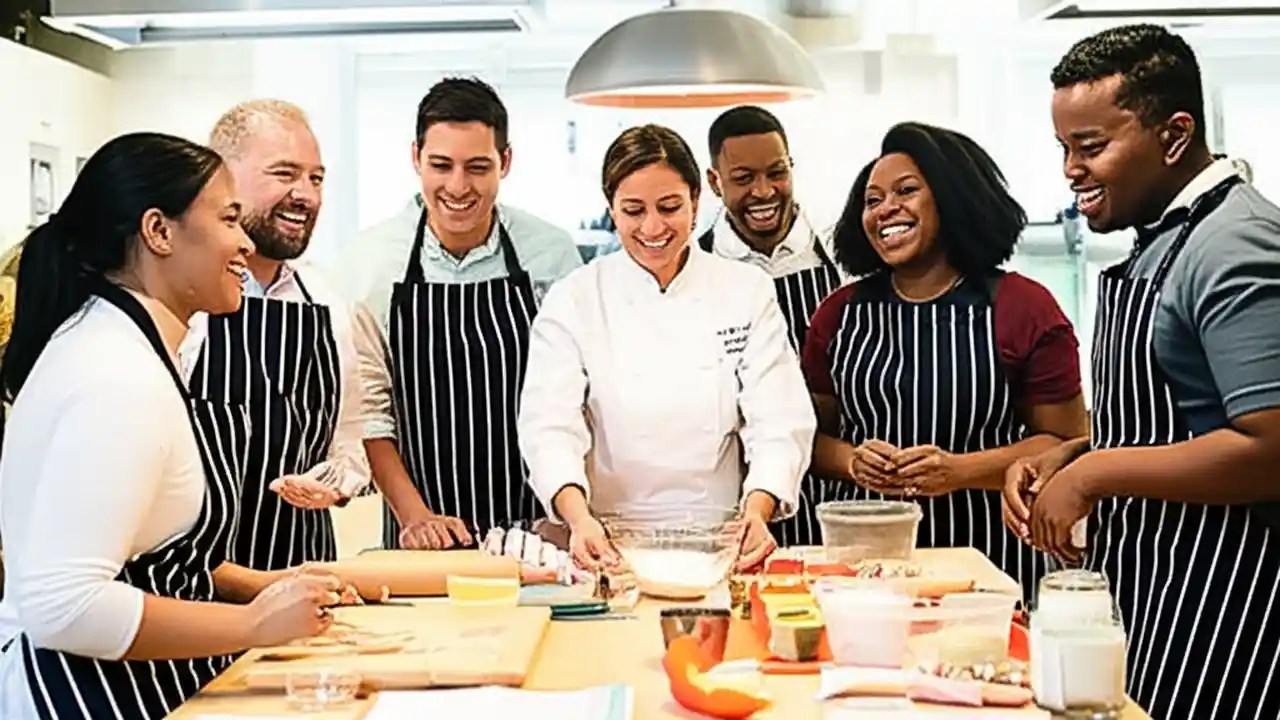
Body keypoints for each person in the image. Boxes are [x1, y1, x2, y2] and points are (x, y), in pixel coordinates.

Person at [0, 133, 344, 720]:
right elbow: (63, 606)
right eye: (228, 219)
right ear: (159, 232)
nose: (243, 242)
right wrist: (253, 624)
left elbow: (145, 552)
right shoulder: (115, 378)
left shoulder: (124, 345)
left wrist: (257, 582)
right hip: (79, 696)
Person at [1007, 24, 1280, 718]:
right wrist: (1071, 455)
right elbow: (1177, 419)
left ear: (1175, 133)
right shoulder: (1168, 240)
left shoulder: (1234, 245)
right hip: (1159, 594)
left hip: (1231, 611)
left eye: (1091, 147)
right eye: (1066, 148)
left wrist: (1094, 476)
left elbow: (1270, 448)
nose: (1071, 169)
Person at [801, 122, 1087, 600]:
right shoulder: (838, 313)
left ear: (953, 199)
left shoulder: (1022, 307)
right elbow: (807, 438)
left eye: (906, 191)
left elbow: (1065, 440)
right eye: (872, 200)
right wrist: (852, 461)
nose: (886, 209)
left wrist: (960, 470)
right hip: (864, 565)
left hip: (988, 561)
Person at [517, 124, 816, 571]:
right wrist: (578, 519)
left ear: (696, 202)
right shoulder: (576, 298)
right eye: (633, 210)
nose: (653, 227)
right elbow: (549, 427)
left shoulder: (744, 290)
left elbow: (779, 418)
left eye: (670, 206)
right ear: (611, 211)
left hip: (720, 542)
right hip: (607, 543)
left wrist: (758, 509)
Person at [340, 77, 582, 550]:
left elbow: (576, 398)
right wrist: (416, 518)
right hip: (420, 535)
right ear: (415, 158)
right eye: (440, 165)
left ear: (505, 163)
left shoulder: (551, 255)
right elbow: (371, 412)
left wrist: (566, 510)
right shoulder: (369, 262)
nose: (458, 186)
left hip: (537, 531)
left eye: (477, 167)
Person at [178, 99, 369, 572]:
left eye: (316, 178)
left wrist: (331, 483)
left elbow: (349, 443)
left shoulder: (326, 302)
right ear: (222, 179)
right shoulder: (183, 303)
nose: (306, 194)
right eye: (284, 174)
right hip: (199, 581)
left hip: (305, 574)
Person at [697, 105, 847, 547]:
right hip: (742, 489)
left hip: (841, 479)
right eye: (743, 178)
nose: (764, 191)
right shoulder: (698, 265)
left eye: (776, 173)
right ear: (714, 182)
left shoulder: (840, 251)